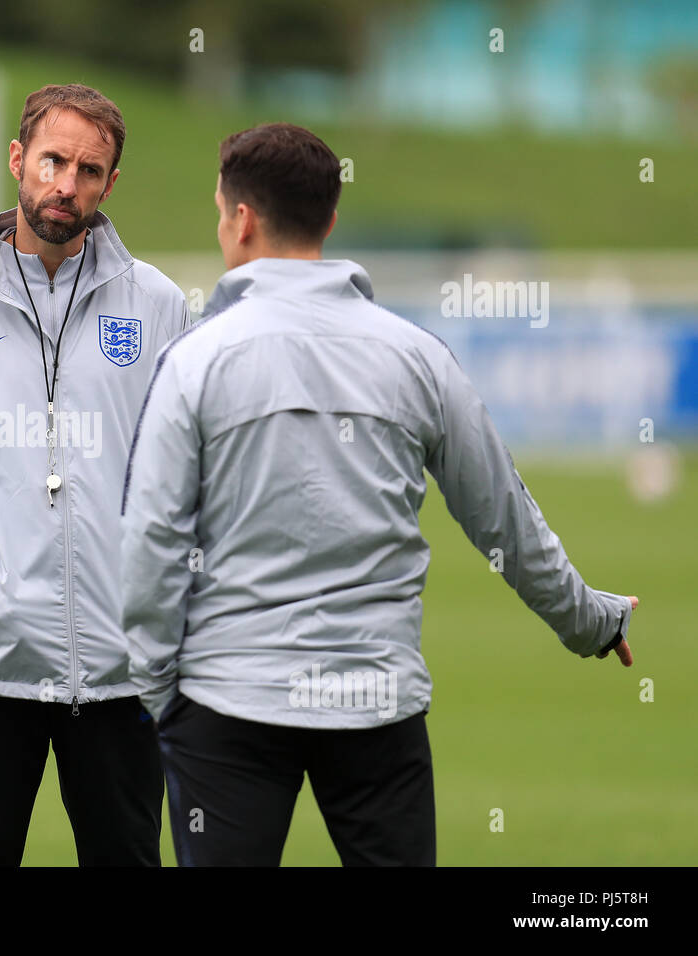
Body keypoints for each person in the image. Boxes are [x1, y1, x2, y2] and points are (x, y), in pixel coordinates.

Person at [120, 122, 639, 867]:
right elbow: (504, 520)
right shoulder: (416, 355)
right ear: (330, 220)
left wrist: (156, 687)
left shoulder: (195, 359)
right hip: (376, 699)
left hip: (227, 699)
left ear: (240, 218)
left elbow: (151, 540)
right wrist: (590, 621)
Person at [0, 84, 190, 866]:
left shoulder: (160, 305)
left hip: (121, 672)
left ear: (109, 185)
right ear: (17, 161)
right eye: (53, 161)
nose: (66, 185)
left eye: (89, 170)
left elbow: (186, 478)